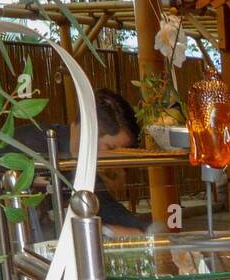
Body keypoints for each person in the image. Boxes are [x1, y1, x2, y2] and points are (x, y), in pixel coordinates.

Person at [15, 88, 155, 236]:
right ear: (89, 129)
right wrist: (104, 231)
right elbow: (37, 223)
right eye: (110, 147)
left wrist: (146, 230)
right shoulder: (29, 146)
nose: (111, 158)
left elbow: (104, 206)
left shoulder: (85, 162)